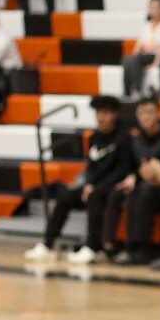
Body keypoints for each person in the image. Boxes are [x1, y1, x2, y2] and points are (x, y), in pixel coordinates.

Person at [23, 96, 134, 264]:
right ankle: (48, 244)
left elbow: (122, 170)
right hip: (93, 186)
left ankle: (93, 247)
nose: (101, 117)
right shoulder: (94, 138)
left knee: (95, 196)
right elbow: (90, 166)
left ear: (115, 114)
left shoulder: (123, 138)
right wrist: (88, 183)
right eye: (98, 113)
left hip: (111, 188)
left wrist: (96, 186)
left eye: (105, 113)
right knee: (66, 196)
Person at [115, 99, 160, 265]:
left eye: (150, 112)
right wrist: (133, 175)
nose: (146, 117)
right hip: (148, 184)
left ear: (159, 114)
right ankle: (135, 248)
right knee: (135, 191)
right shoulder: (135, 140)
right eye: (142, 113)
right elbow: (132, 167)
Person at [123, 0, 160, 97]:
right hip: (144, 55)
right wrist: (133, 55)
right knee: (127, 60)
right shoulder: (147, 25)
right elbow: (140, 44)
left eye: (156, 7)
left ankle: (138, 90)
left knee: (136, 59)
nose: (154, 10)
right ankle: (127, 92)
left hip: (157, 55)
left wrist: (155, 64)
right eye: (151, 7)